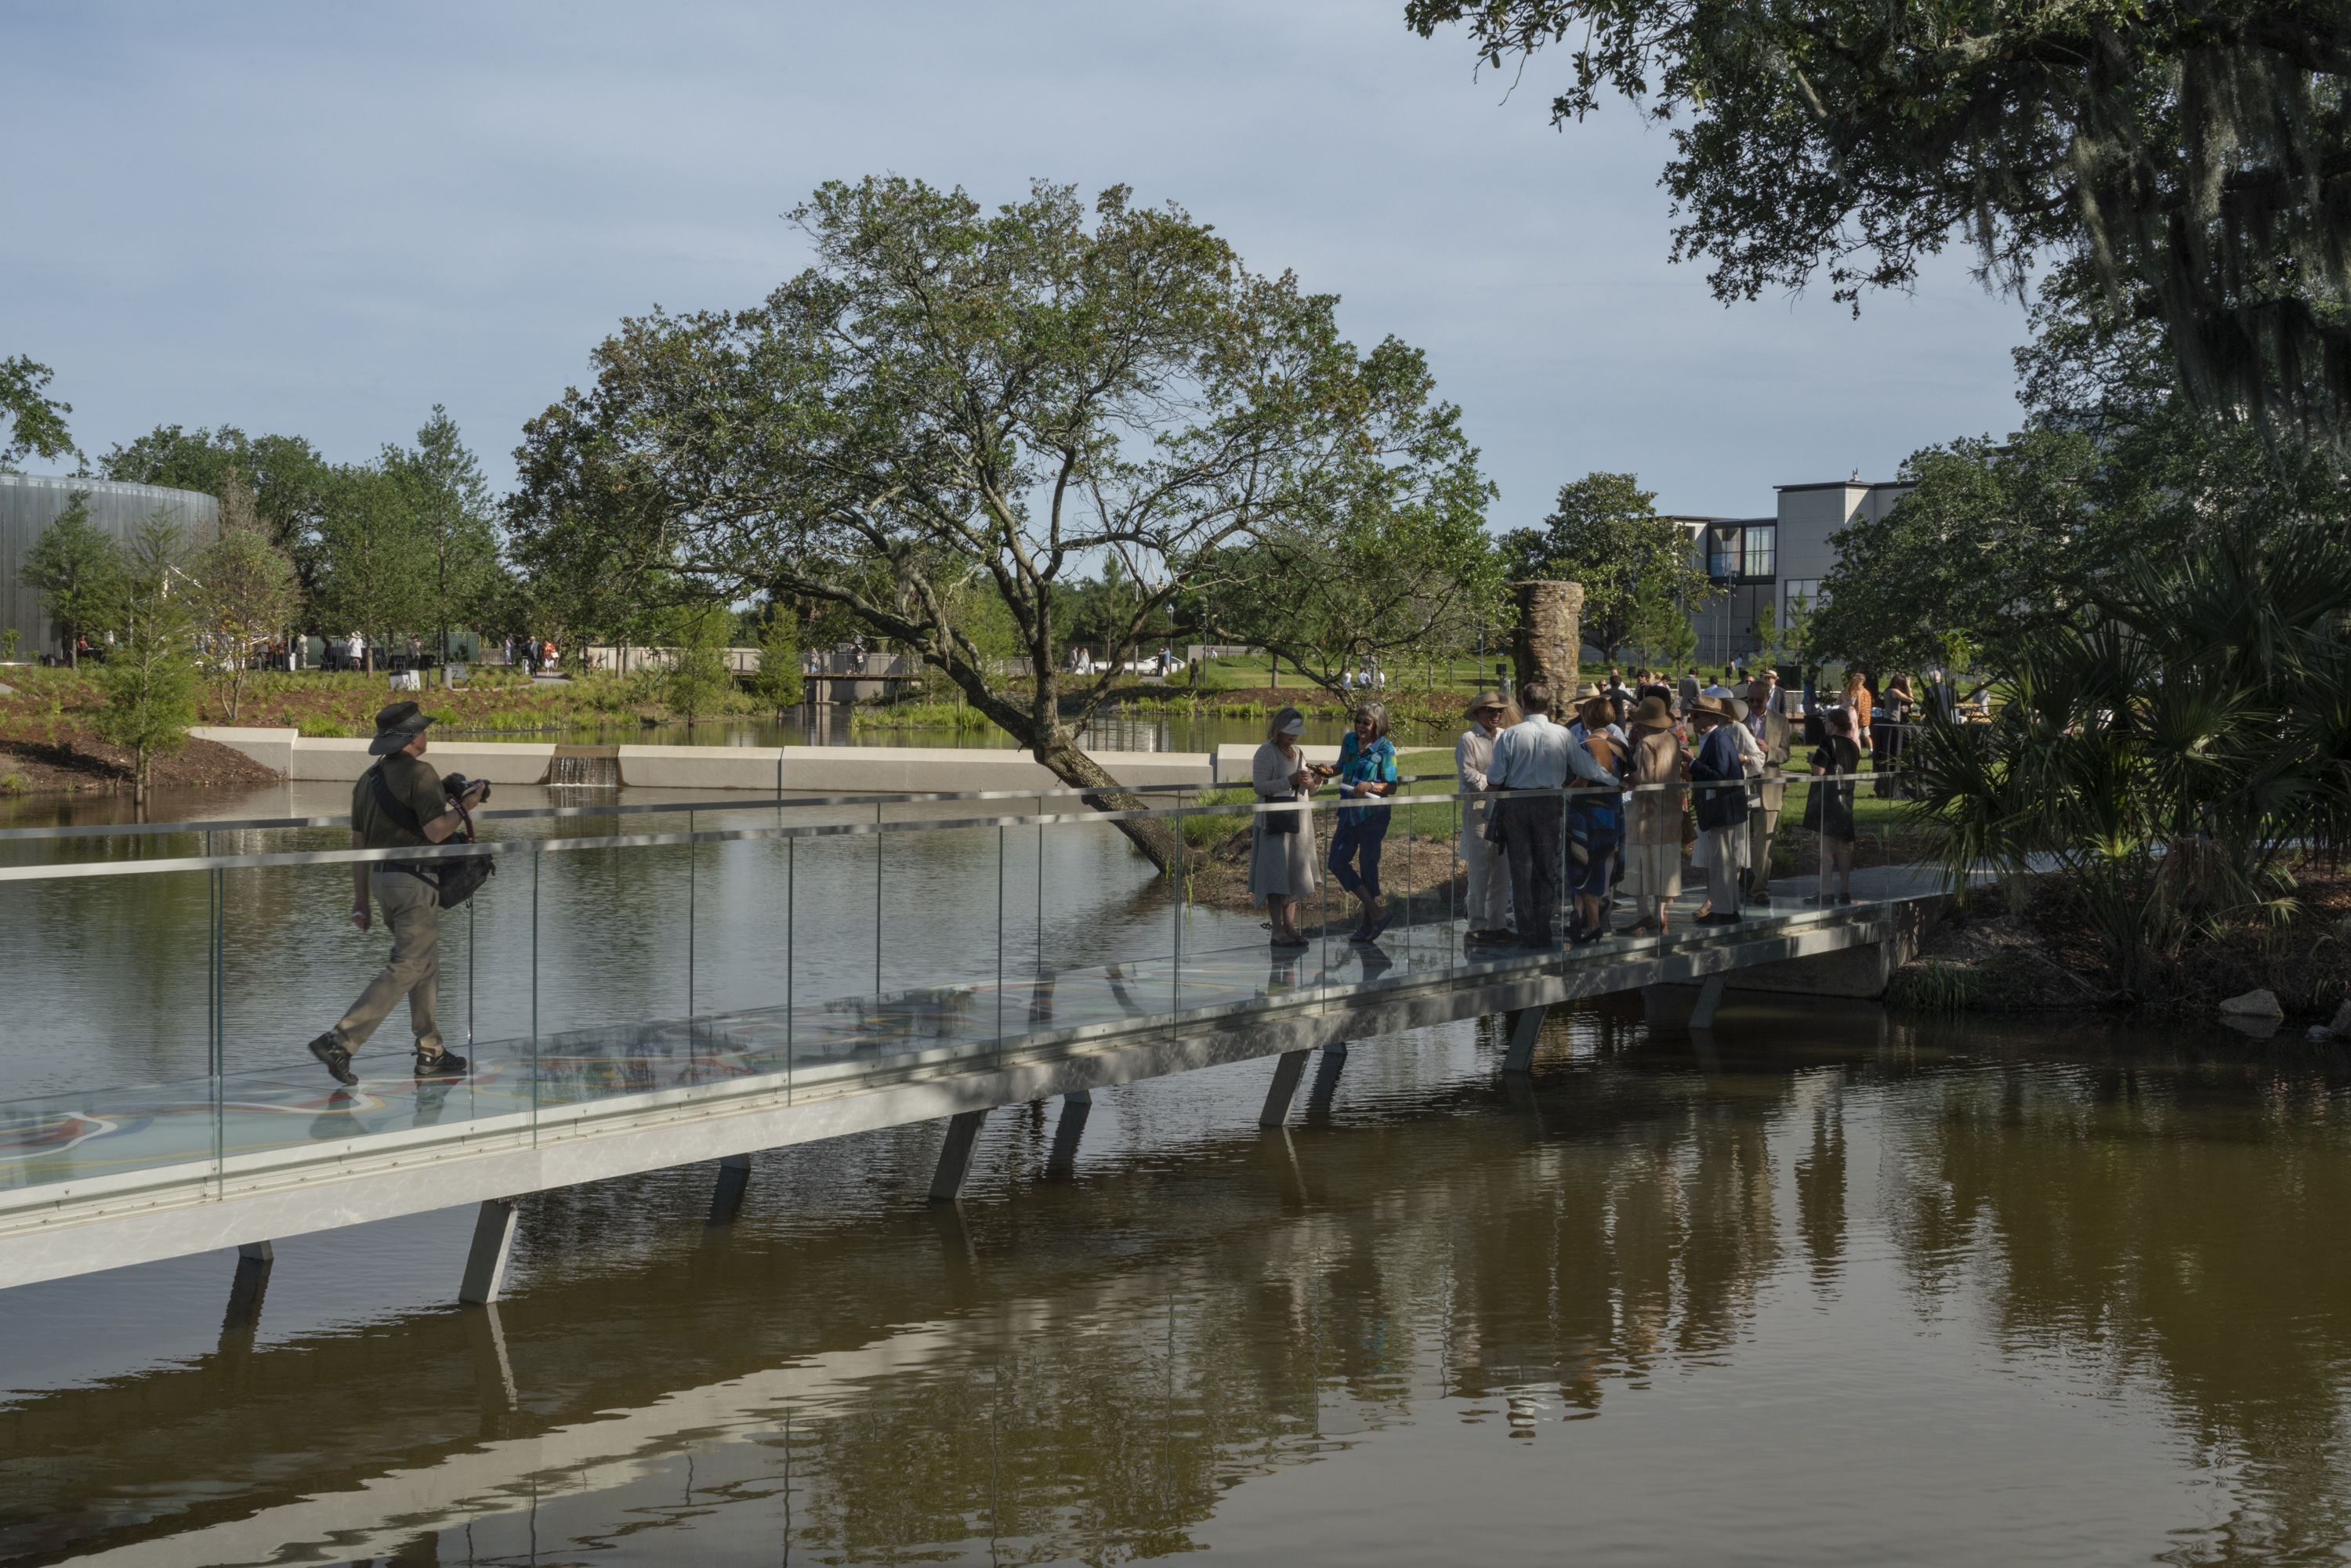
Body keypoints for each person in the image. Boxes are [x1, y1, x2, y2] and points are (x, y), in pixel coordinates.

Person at [305, 702, 490, 1086]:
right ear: (410, 738)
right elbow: (438, 831)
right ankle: (341, 1040)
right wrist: (467, 805)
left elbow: (359, 845)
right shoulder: (421, 774)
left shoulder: (366, 780)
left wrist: (360, 899)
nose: (426, 734)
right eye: (421, 729)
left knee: (424, 964)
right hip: (414, 883)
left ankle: (431, 1051)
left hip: (382, 883)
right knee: (407, 965)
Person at [1487, 683, 1617, 950]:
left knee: (1520, 870)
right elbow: (1587, 767)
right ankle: (1543, 930)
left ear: (1524, 704)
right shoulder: (1563, 734)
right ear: (1548, 705)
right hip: (1549, 804)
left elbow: (1495, 776)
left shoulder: (1510, 735)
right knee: (1546, 868)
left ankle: (1527, 934)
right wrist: (1614, 781)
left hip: (1516, 804)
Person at [1327, 701, 1400, 943]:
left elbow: (1392, 786)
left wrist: (1372, 785)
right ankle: (1377, 913)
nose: (1360, 726)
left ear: (1377, 725)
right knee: (1337, 862)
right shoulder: (1349, 741)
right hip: (1348, 811)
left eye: (1366, 723)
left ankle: (1367, 926)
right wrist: (1324, 771)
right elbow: (1340, 767)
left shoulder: (1386, 749)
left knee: (1368, 864)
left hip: (1373, 815)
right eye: (1358, 721)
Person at [1248, 707, 1318, 948]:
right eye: (1291, 731)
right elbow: (1260, 787)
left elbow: (1308, 790)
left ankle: (1291, 927)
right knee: (1276, 875)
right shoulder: (1266, 752)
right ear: (1279, 729)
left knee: (1294, 873)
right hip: (1274, 821)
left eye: (1297, 732)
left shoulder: (1299, 753)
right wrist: (1289, 780)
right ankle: (1277, 930)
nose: (1294, 736)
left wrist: (1316, 778)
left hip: (1299, 820)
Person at [1620, 695, 1685, 934]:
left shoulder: (1647, 743)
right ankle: (1658, 914)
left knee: (1638, 863)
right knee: (1662, 865)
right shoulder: (1672, 740)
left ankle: (1643, 913)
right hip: (1669, 811)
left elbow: (1643, 778)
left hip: (1646, 812)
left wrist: (1623, 779)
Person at [1455, 690, 1514, 947]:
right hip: (1478, 808)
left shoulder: (1506, 737)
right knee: (1480, 870)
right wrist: (1492, 784)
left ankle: (1497, 923)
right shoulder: (1467, 739)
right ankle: (1476, 926)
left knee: (1502, 870)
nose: (1496, 714)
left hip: (1502, 809)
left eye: (1499, 710)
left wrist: (1501, 787)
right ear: (1478, 713)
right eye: (1490, 710)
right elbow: (1468, 773)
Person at [1565, 693, 1625, 943]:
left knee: (1584, 869)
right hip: (1611, 813)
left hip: (1586, 813)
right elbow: (1634, 778)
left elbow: (1582, 780)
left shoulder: (1588, 744)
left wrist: (1564, 791)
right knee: (1601, 866)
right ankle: (1589, 921)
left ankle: (1593, 924)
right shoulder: (1620, 744)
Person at [1686, 695, 1750, 925]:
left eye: (1698, 715)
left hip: (1722, 809)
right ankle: (1727, 909)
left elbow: (1720, 776)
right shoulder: (1716, 738)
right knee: (1724, 862)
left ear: (1712, 717)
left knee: (1722, 862)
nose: (1693, 719)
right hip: (1724, 809)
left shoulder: (1718, 740)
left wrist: (1693, 763)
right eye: (1693, 715)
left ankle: (1723, 912)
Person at [1741, 674, 1795, 903]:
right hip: (1744, 784)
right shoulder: (1739, 720)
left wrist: (1769, 749)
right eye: (1750, 700)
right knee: (1741, 837)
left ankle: (1759, 888)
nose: (1754, 705)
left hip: (1769, 784)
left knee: (1765, 840)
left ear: (1767, 698)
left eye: (1758, 701)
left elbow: (1786, 754)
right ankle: (1740, 883)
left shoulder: (1780, 721)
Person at [1807, 705, 1864, 904]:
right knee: (1843, 847)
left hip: (1828, 799)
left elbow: (1819, 771)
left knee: (1826, 848)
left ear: (1832, 725)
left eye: (1825, 722)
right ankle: (1845, 890)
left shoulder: (1829, 742)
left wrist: (1812, 760)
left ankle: (1827, 891)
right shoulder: (1853, 745)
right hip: (1846, 799)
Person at [1844, 669, 1874, 757]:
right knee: (1866, 735)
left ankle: (1857, 752)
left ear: (1860, 681)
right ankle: (1871, 750)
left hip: (1859, 716)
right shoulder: (1867, 691)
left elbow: (1858, 706)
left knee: (1856, 735)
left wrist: (1856, 717)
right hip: (1866, 717)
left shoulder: (1859, 691)